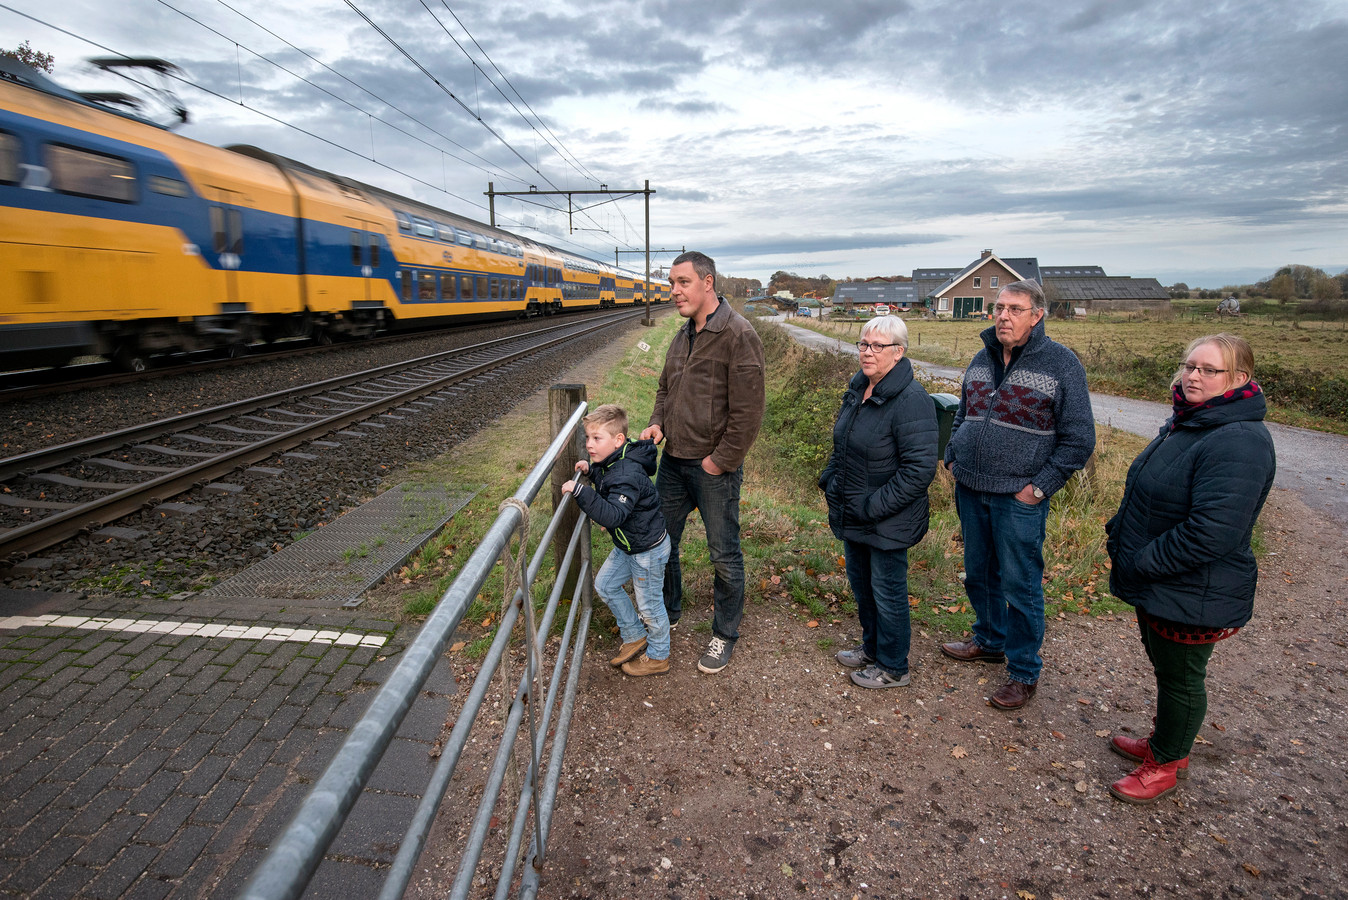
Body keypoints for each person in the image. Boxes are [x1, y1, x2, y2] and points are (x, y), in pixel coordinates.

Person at [1103, 334, 1275, 803]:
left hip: (1192, 589)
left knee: (1181, 678)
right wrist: (1121, 530)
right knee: (1167, 669)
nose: (1193, 376)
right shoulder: (1192, 422)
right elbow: (1152, 489)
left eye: (1208, 370)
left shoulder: (1238, 441)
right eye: (1189, 366)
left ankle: (1165, 764)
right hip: (1165, 584)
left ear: (1239, 379)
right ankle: (1164, 742)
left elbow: (1212, 531)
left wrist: (1142, 561)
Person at [939, 279, 1096, 710]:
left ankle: (1023, 671)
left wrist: (1039, 487)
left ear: (1037, 315)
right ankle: (989, 639)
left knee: (1020, 584)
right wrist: (952, 456)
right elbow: (964, 414)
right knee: (978, 574)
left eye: (1014, 308)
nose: (1003, 316)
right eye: (999, 307)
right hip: (971, 488)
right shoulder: (981, 357)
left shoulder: (1061, 364)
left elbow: (1079, 439)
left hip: (1018, 497)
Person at [639, 251, 765, 674]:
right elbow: (664, 388)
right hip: (672, 463)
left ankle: (724, 633)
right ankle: (670, 611)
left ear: (707, 283)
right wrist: (658, 423)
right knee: (661, 545)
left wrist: (719, 461)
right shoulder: (683, 335)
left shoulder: (738, 334)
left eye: (682, 282)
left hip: (713, 469)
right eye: (671, 283)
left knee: (723, 555)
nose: (673, 291)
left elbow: (748, 413)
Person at [819, 315, 937, 688]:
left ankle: (893, 666)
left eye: (877, 346)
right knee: (863, 585)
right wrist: (831, 480)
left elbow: (918, 471)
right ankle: (871, 648)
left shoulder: (911, 400)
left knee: (887, 592)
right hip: (854, 512)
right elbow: (844, 442)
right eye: (863, 344)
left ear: (898, 352)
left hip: (887, 519)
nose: (867, 352)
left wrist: (872, 507)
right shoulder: (859, 389)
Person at [563, 405, 672, 677]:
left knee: (649, 605)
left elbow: (613, 515)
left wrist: (580, 491)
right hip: (631, 544)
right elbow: (608, 477)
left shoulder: (628, 473)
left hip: (647, 551)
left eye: (596, 439)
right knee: (606, 584)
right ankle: (635, 635)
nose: (589, 444)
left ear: (618, 440)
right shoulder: (614, 461)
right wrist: (591, 472)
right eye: (587, 438)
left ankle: (659, 656)